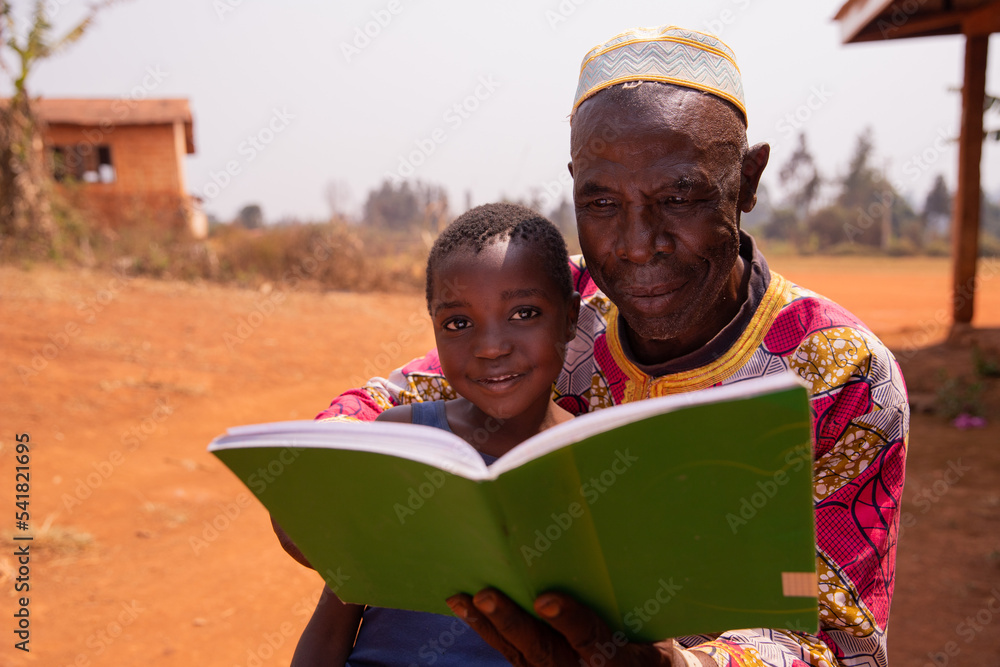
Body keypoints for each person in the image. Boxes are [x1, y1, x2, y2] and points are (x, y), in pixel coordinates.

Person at [305, 26, 909, 667]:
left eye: (679, 195)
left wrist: (678, 665)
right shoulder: (551, 307)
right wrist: (322, 497)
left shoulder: (839, 370)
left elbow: (839, 641)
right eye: (600, 201)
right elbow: (390, 403)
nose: (637, 243)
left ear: (748, 181)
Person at [289, 202, 582, 666]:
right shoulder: (403, 440)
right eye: (458, 323)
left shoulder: (595, 461)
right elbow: (337, 607)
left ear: (569, 317)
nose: (490, 347)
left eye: (524, 313)